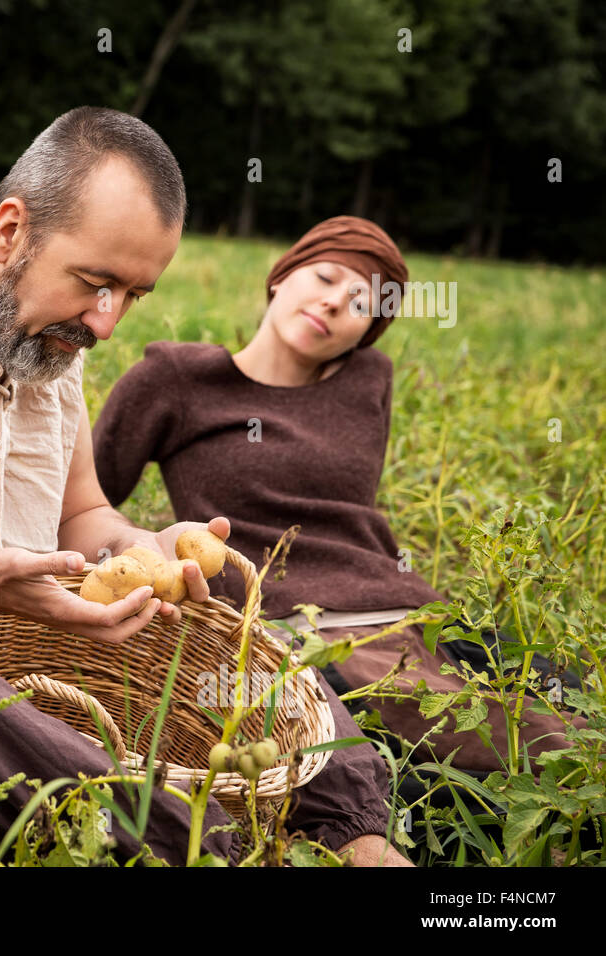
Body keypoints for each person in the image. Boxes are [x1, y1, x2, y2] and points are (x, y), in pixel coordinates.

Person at [0, 110, 408, 865]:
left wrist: (144, 546)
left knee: (253, 643)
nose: (108, 324)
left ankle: (360, 842)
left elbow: (85, 516)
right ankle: (214, 848)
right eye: (96, 284)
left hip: (28, 663)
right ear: (11, 231)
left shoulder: (49, 345)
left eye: (133, 295)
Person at [93, 215, 585, 787]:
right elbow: (87, 502)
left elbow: (345, 515)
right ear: (281, 278)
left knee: (574, 701)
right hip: (299, 630)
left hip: (417, 616)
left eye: (361, 303)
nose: (333, 303)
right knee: (523, 750)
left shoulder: (367, 380)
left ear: (368, 332)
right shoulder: (176, 378)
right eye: (324, 278)